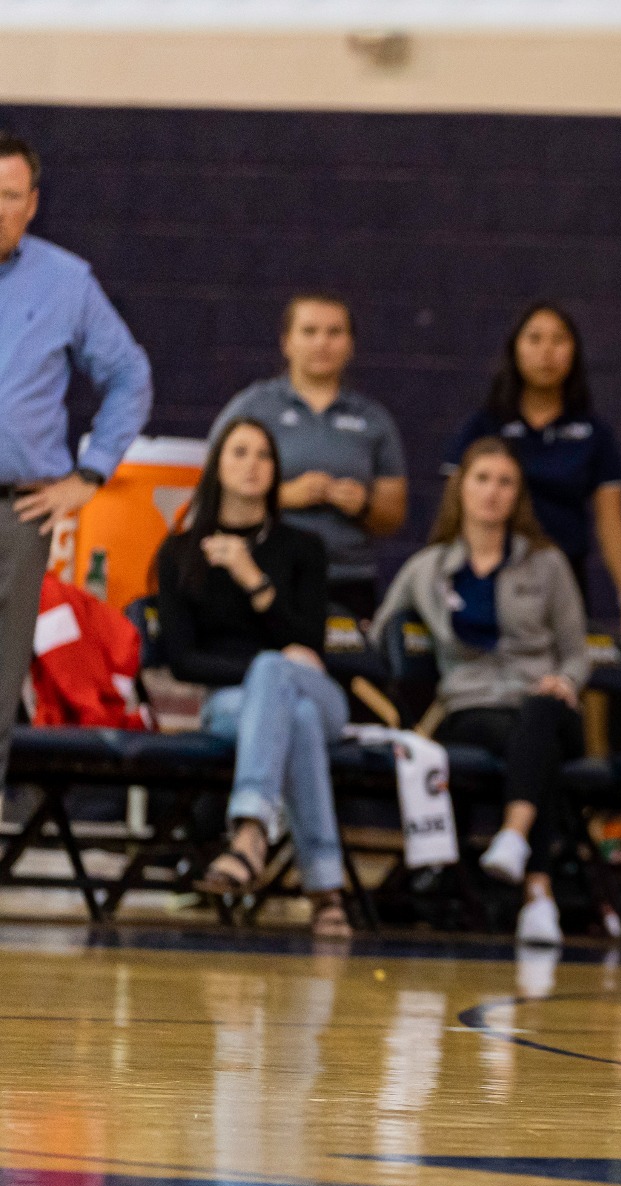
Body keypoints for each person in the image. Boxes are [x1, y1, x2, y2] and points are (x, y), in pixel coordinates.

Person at [373, 437, 590, 947]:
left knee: (538, 718)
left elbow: (578, 652)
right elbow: (379, 633)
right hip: (471, 706)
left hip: (546, 704)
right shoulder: (429, 568)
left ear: (518, 495)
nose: (493, 492)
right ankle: (537, 893)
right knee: (535, 753)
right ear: (461, 489)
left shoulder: (547, 563)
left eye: (505, 482)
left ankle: (514, 837)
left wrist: (566, 681)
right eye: (482, 479)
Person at [155, 419, 351, 936]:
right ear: (217, 465)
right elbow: (183, 661)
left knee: (283, 681)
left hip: (317, 692)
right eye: (239, 452)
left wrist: (254, 580)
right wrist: (271, 673)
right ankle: (326, 890)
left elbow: (310, 645)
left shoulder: (303, 548)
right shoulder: (179, 553)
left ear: (276, 470)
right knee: (290, 708)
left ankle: (249, 832)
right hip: (232, 703)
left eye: (264, 454)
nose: (252, 464)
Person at [0, 130, 152, 786]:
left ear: (33, 203)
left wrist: (90, 473)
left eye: (9, 195)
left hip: (16, 514)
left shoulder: (65, 281)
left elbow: (129, 376)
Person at [445, 303, 621, 632]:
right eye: (535, 339)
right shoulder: (484, 425)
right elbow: (452, 508)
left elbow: (612, 522)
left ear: (574, 352)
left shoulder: (593, 432)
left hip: (564, 575)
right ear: (515, 348)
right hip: (489, 572)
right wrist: (442, 571)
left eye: (558, 340)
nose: (546, 352)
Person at [210, 293, 406, 616]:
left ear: (351, 344)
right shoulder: (252, 407)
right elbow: (210, 491)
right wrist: (282, 496)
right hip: (261, 569)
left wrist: (363, 505)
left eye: (334, 332)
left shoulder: (373, 419)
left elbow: (393, 515)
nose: (322, 343)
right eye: (309, 331)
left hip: (347, 577)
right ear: (286, 341)